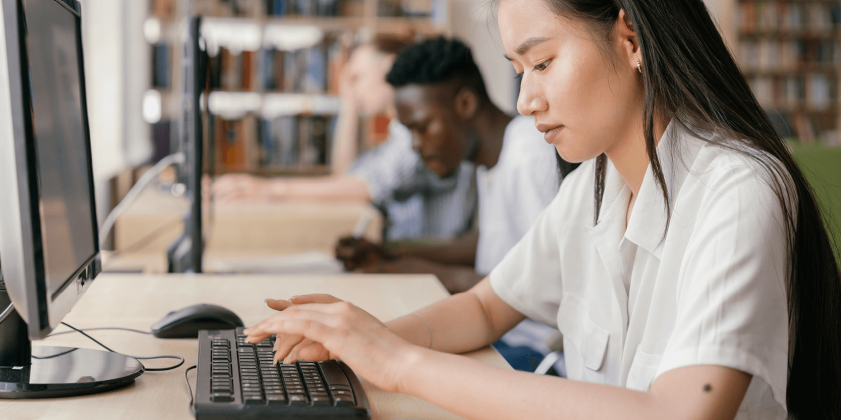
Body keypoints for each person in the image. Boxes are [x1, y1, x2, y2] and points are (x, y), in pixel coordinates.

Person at [244, 1, 841, 419]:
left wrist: (396, 362)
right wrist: (360, 342)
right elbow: (484, 307)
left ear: (630, 39)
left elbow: (678, 412)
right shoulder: (594, 185)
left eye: (543, 63)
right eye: (518, 71)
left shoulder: (738, 190)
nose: (526, 100)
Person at [335, 37, 576, 295]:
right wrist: (393, 253)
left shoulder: (528, 154)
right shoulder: (490, 160)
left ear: (465, 104)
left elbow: (550, 287)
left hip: (527, 336)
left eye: (423, 128)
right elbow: (491, 245)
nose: (416, 145)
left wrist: (425, 272)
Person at [213, 36, 477, 242]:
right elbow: (347, 176)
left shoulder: (419, 133)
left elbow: (365, 187)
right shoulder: (397, 134)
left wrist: (270, 189)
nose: (351, 87)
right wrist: (349, 105)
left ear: (391, 67)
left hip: (430, 262)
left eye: (357, 77)